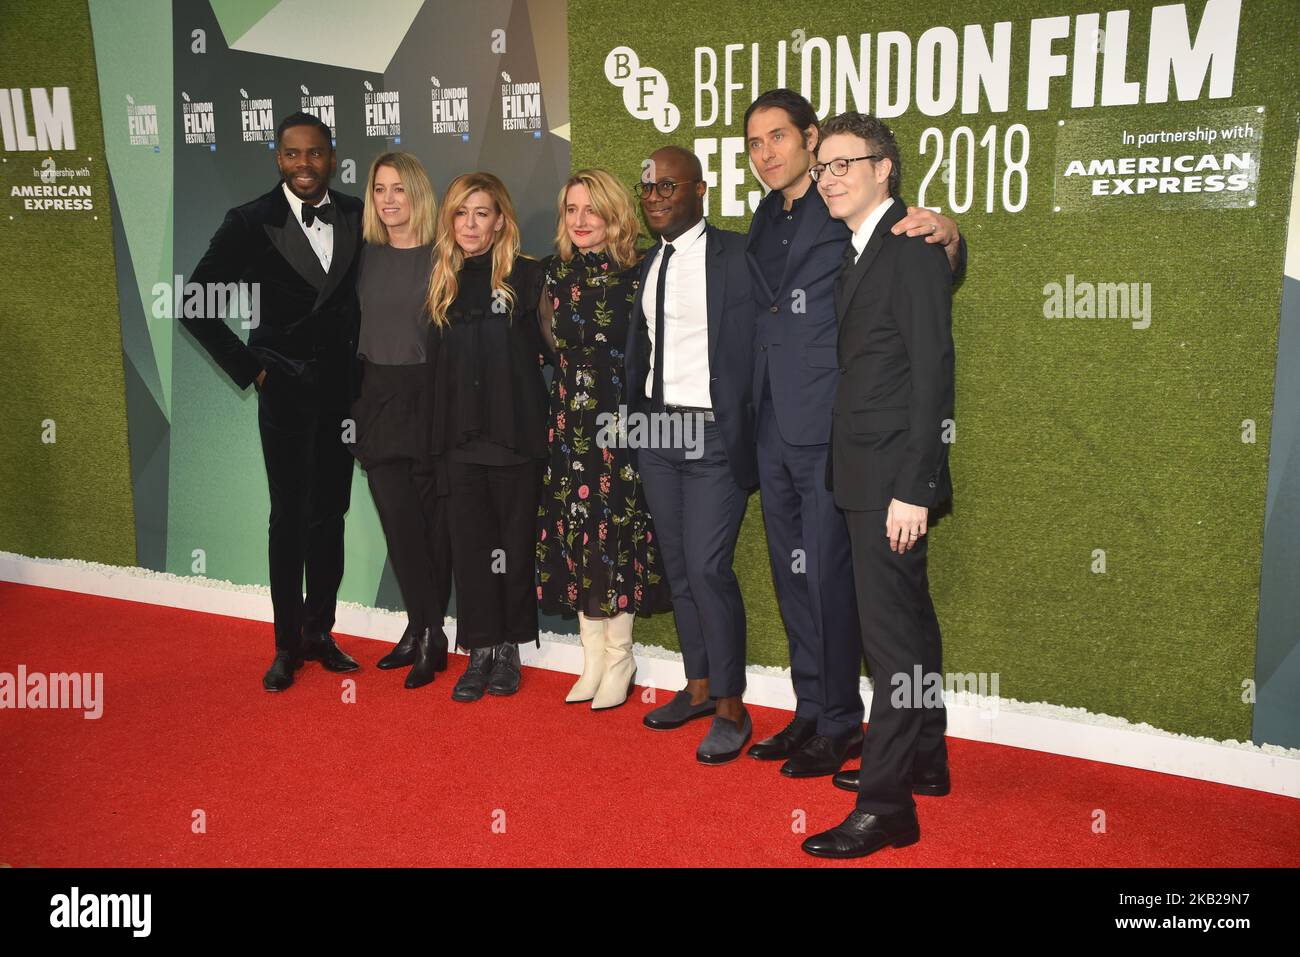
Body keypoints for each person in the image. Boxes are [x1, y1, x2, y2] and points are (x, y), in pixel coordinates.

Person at [742, 89, 966, 778]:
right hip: (789, 431)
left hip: (856, 445)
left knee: (869, 611)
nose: (765, 153)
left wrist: (951, 233)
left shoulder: (870, 222)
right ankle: (846, 723)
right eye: (753, 143)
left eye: (778, 137)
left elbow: (929, 304)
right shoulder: (768, 219)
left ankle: (866, 760)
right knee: (821, 589)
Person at [800, 112, 954, 859]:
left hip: (893, 477)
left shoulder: (911, 244)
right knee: (909, 624)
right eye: (822, 166)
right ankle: (924, 755)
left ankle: (887, 806)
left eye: (843, 164)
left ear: (885, 168)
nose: (829, 177)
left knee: (888, 643)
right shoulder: (861, 249)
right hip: (865, 472)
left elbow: (933, 374)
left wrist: (915, 486)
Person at [182, 111, 362, 691]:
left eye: (314, 153)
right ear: (277, 158)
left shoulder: (359, 215)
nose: (304, 164)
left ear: (331, 157)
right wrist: (253, 368)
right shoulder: (249, 221)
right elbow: (194, 303)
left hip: (342, 394)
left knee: (330, 514)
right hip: (284, 390)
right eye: (292, 154)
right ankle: (286, 645)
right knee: (288, 518)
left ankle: (320, 632)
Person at [627, 146, 759, 763]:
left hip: (712, 434)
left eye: (668, 187)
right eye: (648, 188)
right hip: (656, 432)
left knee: (709, 569)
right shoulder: (647, 263)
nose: (655, 197)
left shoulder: (739, 253)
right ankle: (700, 687)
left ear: (700, 191)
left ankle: (733, 708)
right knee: (678, 568)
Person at [536, 169, 672, 710]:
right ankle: (592, 658)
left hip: (621, 428)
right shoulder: (550, 275)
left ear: (616, 214)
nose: (581, 220)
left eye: (592, 209)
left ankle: (621, 656)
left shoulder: (643, 273)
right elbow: (550, 348)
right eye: (571, 210)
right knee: (577, 533)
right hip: (569, 426)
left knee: (614, 537)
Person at [425, 172, 550, 702]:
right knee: (472, 551)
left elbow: (556, 349)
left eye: (481, 213)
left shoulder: (529, 277)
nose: (471, 224)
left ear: (500, 219)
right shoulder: (442, 282)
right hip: (460, 442)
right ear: (449, 221)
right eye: (460, 213)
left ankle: (511, 649)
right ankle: (478, 649)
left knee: (513, 550)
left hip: (517, 438)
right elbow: (434, 371)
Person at [349, 152, 452, 689]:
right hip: (378, 398)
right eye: (380, 189)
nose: (389, 200)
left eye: (399, 189)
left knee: (433, 526)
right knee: (399, 524)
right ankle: (429, 629)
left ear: (418, 194)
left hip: (429, 397)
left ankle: (424, 632)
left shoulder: (445, 257)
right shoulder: (361, 257)